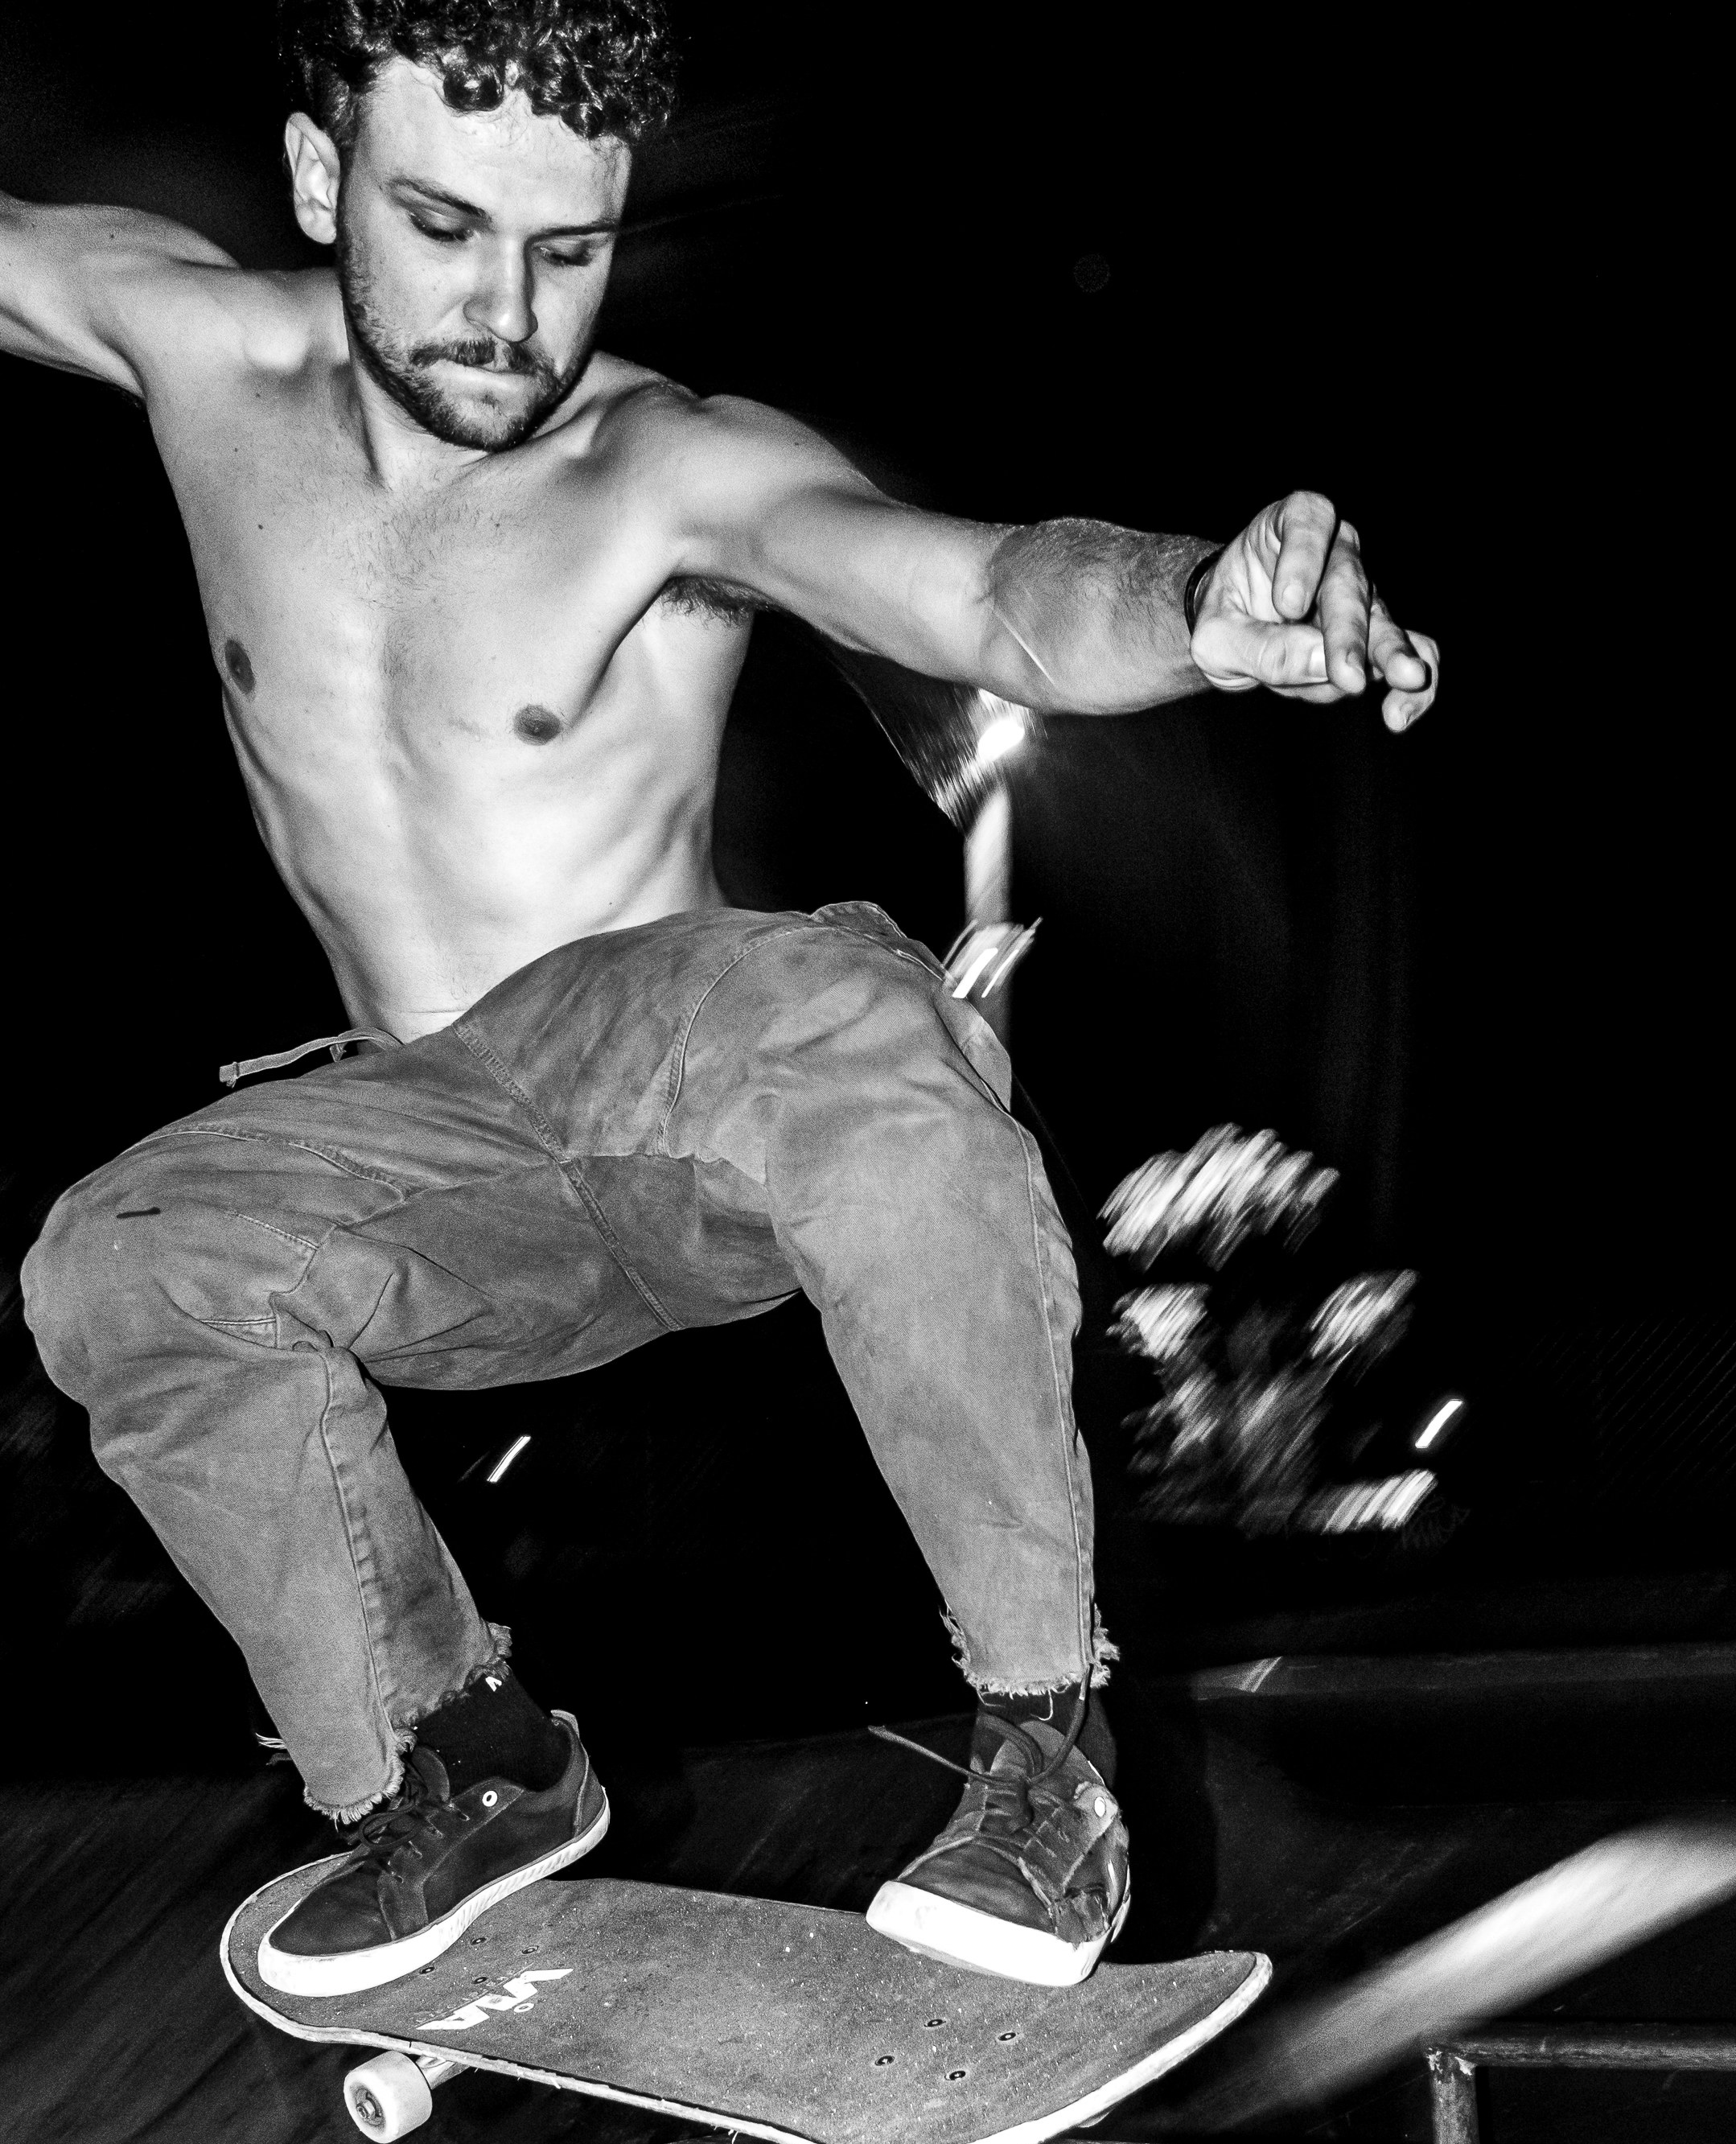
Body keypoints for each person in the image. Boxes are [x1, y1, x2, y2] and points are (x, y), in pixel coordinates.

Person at [7, 0, 1438, 1999]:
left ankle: (1047, 1750)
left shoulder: (667, 468)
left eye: (568, 251)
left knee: (850, 1027)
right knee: (119, 1263)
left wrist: (1201, 606)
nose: (510, 316)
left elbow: (974, 593)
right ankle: (458, 1758)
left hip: (679, 1070)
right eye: (443, 228)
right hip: (437, 1152)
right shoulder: (183, 343)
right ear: (322, 181)